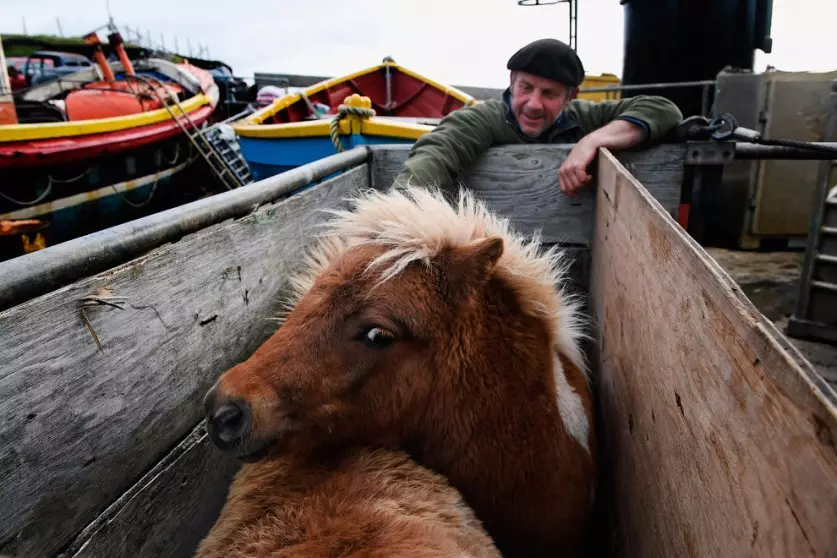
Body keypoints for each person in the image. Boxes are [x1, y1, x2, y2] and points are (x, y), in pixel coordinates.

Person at [393, 38, 683, 195]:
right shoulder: (484, 119)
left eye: (549, 94)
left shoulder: (585, 118)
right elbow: (439, 150)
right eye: (526, 88)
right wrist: (402, 209)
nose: (533, 104)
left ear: (572, 96)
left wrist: (590, 143)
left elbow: (662, 109)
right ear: (511, 81)